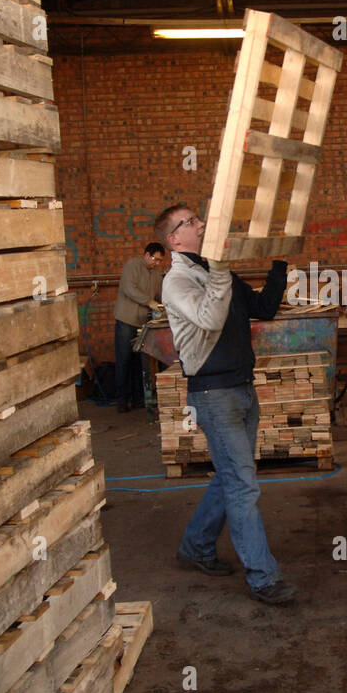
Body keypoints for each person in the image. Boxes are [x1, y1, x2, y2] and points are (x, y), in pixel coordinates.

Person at [156, 204, 295, 605]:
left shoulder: (217, 273)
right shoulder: (177, 281)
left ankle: (196, 546)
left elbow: (262, 308)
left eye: (199, 218)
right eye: (190, 222)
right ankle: (263, 576)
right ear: (174, 239)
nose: (201, 224)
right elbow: (210, 318)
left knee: (230, 476)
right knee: (242, 485)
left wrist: (280, 262)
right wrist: (219, 269)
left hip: (241, 388)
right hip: (212, 395)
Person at [114, 242, 165, 412]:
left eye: (159, 261)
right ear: (146, 254)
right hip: (126, 320)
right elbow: (129, 289)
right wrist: (150, 302)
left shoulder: (157, 274)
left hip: (143, 323)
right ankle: (122, 400)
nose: (156, 263)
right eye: (155, 259)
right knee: (124, 360)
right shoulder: (132, 265)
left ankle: (138, 399)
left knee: (139, 362)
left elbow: (160, 295)